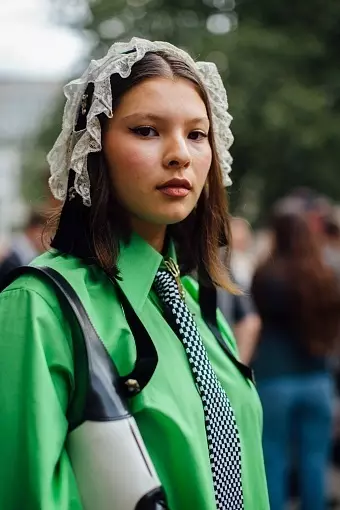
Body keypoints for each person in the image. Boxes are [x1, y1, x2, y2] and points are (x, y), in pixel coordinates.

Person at [0, 38, 269, 510]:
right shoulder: (39, 308)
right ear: (94, 149)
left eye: (197, 134)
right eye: (147, 130)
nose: (179, 155)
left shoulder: (196, 304)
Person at [251, 211, 340, 510]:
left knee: (273, 458)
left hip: (274, 376)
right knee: (315, 460)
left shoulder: (266, 274)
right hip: (317, 376)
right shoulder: (326, 275)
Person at [0, 208, 46, 286]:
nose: (50, 239)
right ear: (36, 230)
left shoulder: (22, 252)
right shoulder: (14, 258)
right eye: (47, 232)